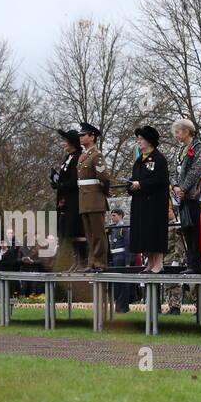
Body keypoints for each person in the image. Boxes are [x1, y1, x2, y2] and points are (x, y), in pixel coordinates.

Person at [128, 126, 170, 274]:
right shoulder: (139, 159)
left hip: (155, 203)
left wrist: (142, 184)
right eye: (138, 139)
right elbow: (134, 178)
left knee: (155, 233)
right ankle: (150, 263)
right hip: (141, 203)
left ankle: (158, 263)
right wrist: (131, 186)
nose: (138, 142)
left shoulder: (159, 158)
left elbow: (161, 180)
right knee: (144, 234)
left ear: (150, 141)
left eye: (141, 139)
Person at [170, 119, 201, 274]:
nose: (176, 136)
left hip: (192, 196)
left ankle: (196, 264)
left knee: (194, 230)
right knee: (186, 229)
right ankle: (190, 263)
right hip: (181, 196)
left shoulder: (198, 148)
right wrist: (175, 186)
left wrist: (184, 188)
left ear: (187, 131)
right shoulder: (180, 150)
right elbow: (173, 170)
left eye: (178, 132)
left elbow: (196, 170)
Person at [75, 122, 112, 273]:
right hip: (84, 199)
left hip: (95, 199)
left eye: (83, 135)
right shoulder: (83, 156)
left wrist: (105, 191)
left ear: (92, 137)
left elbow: (103, 177)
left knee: (98, 233)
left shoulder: (96, 155)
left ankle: (100, 263)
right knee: (89, 234)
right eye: (80, 135)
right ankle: (92, 262)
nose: (80, 137)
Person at [51, 127, 84, 271]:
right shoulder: (67, 158)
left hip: (74, 201)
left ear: (71, 143)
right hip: (64, 200)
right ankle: (75, 261)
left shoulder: (78, 157)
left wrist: (61, 184)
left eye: (65, 141)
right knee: (66, 232)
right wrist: (56, 182)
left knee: (76, 231)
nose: (63, 143)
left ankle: (82, 261)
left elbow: (74, 180)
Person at [107, 208, 134, 312]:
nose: (112, 217)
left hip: (122, 258)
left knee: (123, 284)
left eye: (114, 215)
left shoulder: (124, 228)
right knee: (117, 283)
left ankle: (123, 307)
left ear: (120, 216)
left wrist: (128, 262)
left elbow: (128, 245)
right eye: (112, 215)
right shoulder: (113, 228)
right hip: (115, 258)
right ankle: (119, 306)